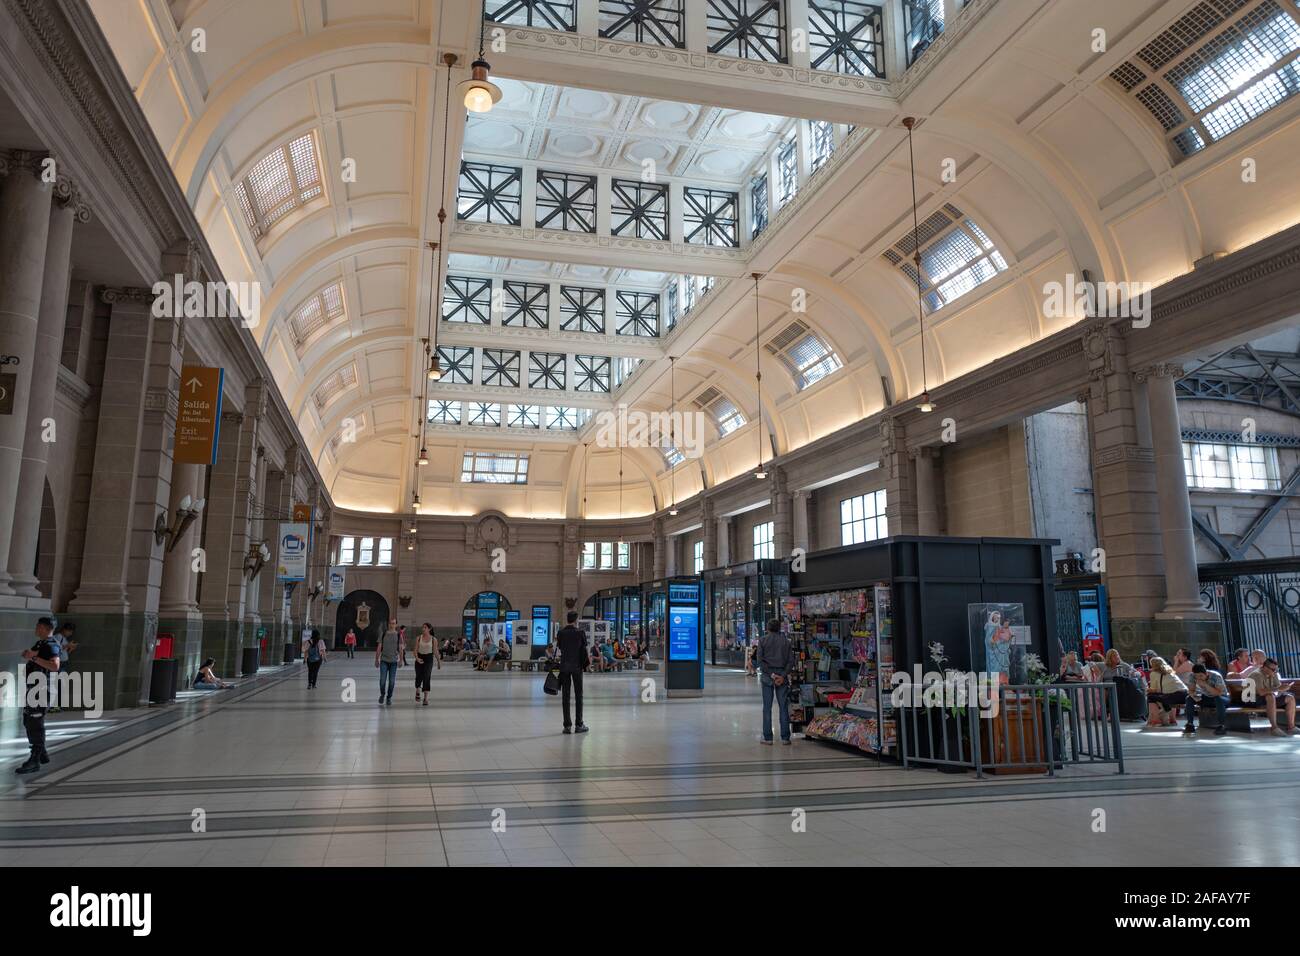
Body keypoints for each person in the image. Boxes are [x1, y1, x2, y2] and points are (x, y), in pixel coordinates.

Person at [15, 618, 60, 775]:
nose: (36, 628)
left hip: (42, 690)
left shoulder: (51, 645)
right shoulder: (41, 644)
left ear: (43, 628)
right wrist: (31, 655)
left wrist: (33, 658)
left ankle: (35, 758)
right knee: (28, 720)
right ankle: (42, 753)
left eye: (38, 626)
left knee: (34, 722)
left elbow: (55, 666)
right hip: (34, 688)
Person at [757, 618, 793, 745]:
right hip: (782, 676)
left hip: (767, 676)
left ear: (767, 628)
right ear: (779, 628)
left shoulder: (762, 640)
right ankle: (785, 737)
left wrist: (772, 674)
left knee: (767, 707)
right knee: (783, 706)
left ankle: (767, 737)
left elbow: (760, 661)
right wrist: (782, 676)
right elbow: (790, 662)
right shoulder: (786, 642)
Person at [556, 611, 589, 734]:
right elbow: (583, 650)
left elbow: (560, 647)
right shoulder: (580, 633)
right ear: (576, 620)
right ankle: (579, 724)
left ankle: (567, 726)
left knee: (565, 696)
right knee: (578, 695)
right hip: (577, 667)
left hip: (564, 667)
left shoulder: (561, 633)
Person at [1247, 658, 1298, 737]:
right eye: (1273, 669)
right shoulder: (1257, 674)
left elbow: (1278, 687)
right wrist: (1278, 689)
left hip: (1266, 699)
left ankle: (1291, 726)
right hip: (1252, 699)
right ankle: (1274, 728)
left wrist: (1284, 688)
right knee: (1270, 696)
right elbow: (1261, 692)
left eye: (1276, 669)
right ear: (1264, 667)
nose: (1275, 671)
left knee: (1290, 698)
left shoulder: (1272, 674)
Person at [1184, 662, 1229, 735]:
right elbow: (1191, 690)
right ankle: (1190, 724)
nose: (1199, 678)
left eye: (1201, 676)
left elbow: (1218, 693)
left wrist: (1205, 684)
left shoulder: (1215, 676)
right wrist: (1193, 695)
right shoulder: (1192, 676)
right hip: (1206, 697)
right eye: (1196, 676)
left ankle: (1221, 725)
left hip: (1222, 698)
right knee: (1189, 698)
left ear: (1206, 673)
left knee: (1218, 699)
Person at [1145, 656, 1187, 726]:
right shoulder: (1170, 670)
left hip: (1173, 696)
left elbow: (1154, 689)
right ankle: (1172, 720)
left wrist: (1146, 689)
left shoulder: (1153, 673)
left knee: (1150, 696)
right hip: (1185, 695)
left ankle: (1156, 720)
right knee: (1165, 696)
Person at [413, 623, 441, 706]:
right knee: (419, 676)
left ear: (429, 629)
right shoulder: (419, 638)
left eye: (425, 627)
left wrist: (439, 662)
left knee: (427, 676)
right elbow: (415, 650)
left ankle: (425, 698)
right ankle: (417, 689)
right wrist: (417, 658)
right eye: (423, 627)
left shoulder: (434, 639)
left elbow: (435, 651)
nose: (423, 629)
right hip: (420, 657)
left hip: (429, 659)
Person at [375, 625, 403, 705]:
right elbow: (379, 647)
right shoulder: (383, 634)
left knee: (392, 682)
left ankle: (389, 697)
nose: (392, 625)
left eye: (394, 623)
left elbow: (401, 648)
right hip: (384, 661)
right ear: (389, 624)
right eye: (391, 623)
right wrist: (376, 659)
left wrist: (401, 660)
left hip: (394, 662)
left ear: (396, 624)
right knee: (382, 681)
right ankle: (382, 694)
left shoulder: (398, 635)